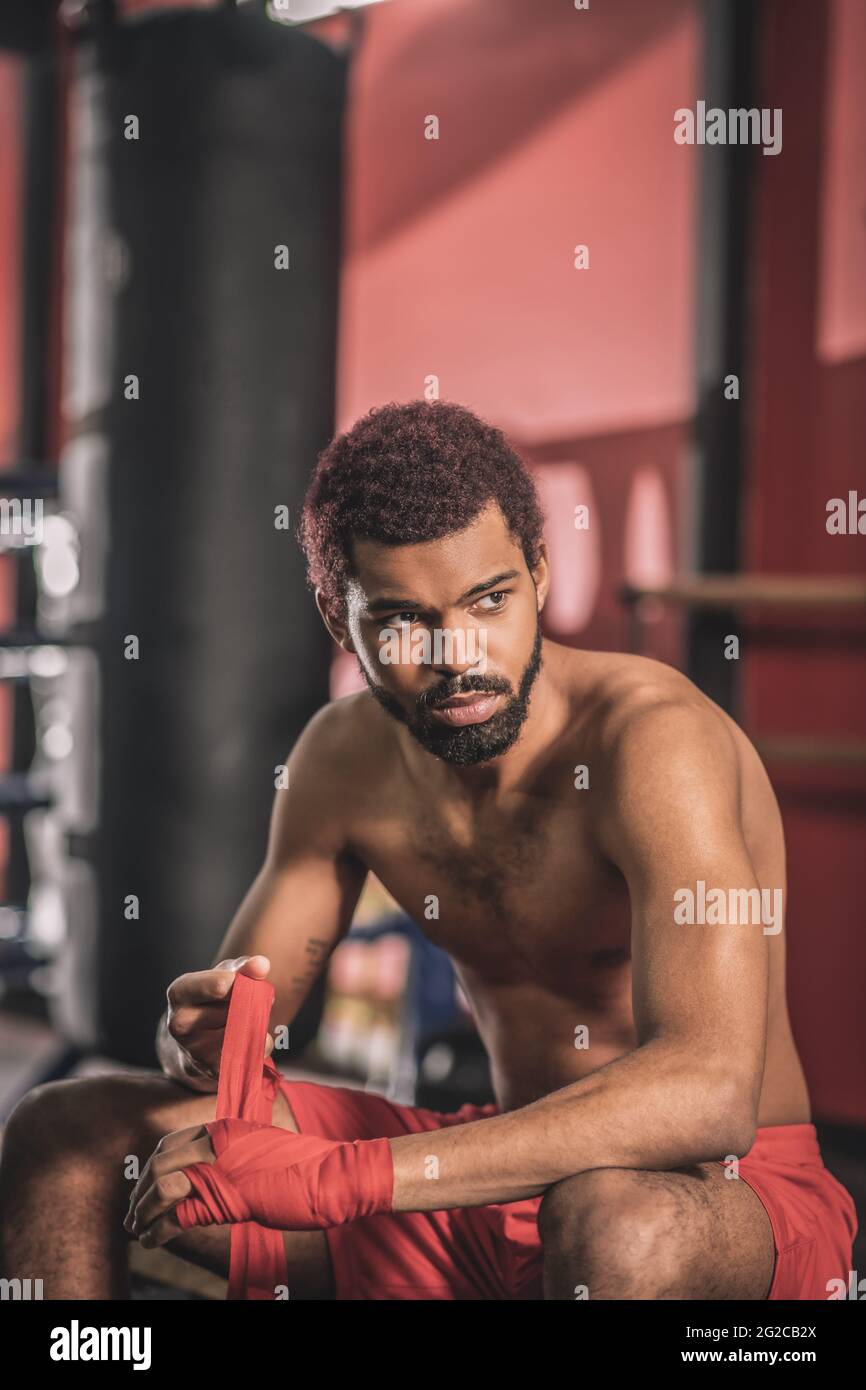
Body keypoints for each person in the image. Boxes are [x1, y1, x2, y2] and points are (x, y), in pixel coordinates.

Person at [0, 400, 856, 1300]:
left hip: (722, 1197)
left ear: (538, 571)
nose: (458, 656)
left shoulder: (651, 742)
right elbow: (247, 1023)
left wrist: (348, 1178)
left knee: (614, 1226)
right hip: (482, 1179)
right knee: (69, 1133)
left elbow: (709, 1091)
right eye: (404, 620)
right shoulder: (341, 758)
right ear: (341, 621)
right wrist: (208, 1040)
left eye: (490, 601)